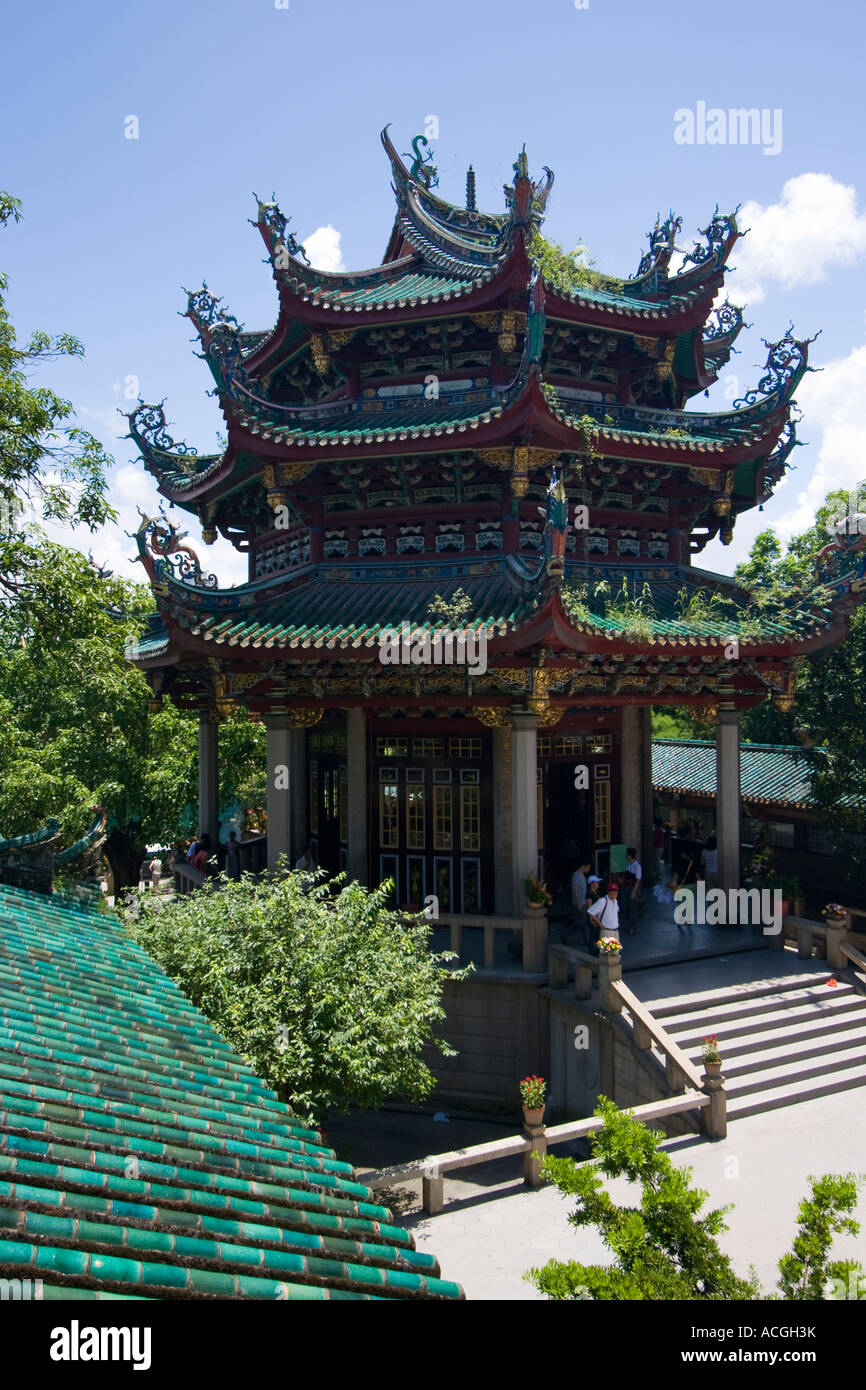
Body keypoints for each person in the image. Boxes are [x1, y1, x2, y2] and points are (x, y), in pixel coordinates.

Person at [568, 857, 593, 950]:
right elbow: (575, 889)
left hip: (583, 902)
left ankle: (587, 940)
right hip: (580, 903)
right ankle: (587, 941)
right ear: (583, 866)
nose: (589, 869)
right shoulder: (576, 875)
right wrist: (578, 903)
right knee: (583, 923)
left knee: (581, 923)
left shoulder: (581, 875)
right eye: (588, 867)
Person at [587, 882, 620, 946]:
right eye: (611, 892)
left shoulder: (616, 901)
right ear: (608, 892)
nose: (613, 895)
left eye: (615, 893)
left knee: (615, 954)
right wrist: (600, 924)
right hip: (606, 931)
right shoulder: (602, 901)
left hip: (615, 932)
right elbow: (591, 912)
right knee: (605, 954)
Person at [623, 848, 643, 935]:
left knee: (632, 908)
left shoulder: (637, 866)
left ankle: (632, 926)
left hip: (632, 888)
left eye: (627, 854)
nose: (626, 856)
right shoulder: (627, 864)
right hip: (626, 887)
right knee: (624, 906)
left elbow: (638, 880)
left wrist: (634, 892)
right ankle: (630, 921)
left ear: (630, 856)